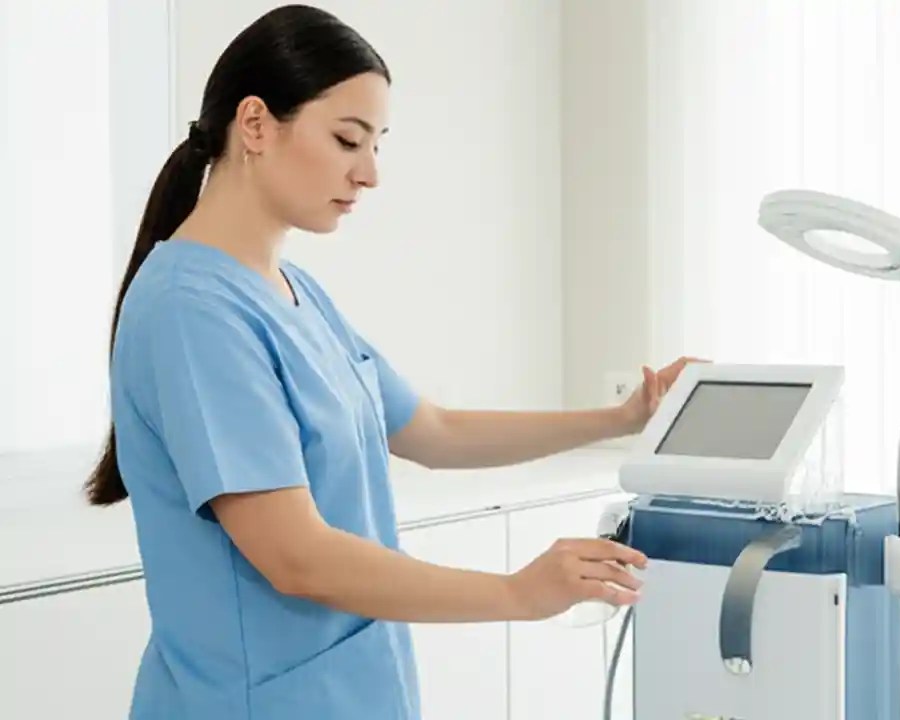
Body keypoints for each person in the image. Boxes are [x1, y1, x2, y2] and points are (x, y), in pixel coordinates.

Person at [83, 5, 696, 718]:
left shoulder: (290, 292)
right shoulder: (193, 312)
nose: (369, 173)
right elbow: (295, 556)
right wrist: (515, 594)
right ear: (254, 125)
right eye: (349, 140)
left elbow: (432, 430)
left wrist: (623, 416)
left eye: (377, 145)